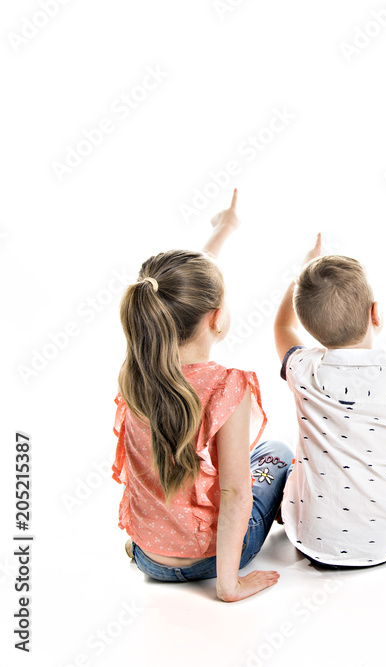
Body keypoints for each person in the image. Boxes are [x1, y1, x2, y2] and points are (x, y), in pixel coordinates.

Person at [113, 190, 290, 601]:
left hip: (148, 557)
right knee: (276, 452)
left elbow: (176, 288)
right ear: (216, 319)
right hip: (209, 560)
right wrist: (228, 583)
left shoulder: (134, 373)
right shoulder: (227, 387)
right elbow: (234, 492)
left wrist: (222, 231)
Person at [274, 234, 386, 567]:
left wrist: (300, 273)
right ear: (375, 313)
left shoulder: (301, 369)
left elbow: (281, 325)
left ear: (309, 325)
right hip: (385, 544)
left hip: (308, 540)